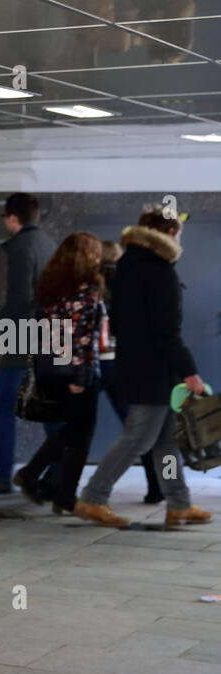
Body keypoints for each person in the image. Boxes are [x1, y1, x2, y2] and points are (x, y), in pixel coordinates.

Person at [75, 206, 211, 528]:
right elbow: (166, 331)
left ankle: (178, 503)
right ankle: (93, 497)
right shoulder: (159, 271)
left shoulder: (128, 267)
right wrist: (189, 372)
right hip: (152, 370)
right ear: (168, 234)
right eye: (178, 230)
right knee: (138, 438)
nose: (181, 236)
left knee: (164, 442)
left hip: (137, 364)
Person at [0, 193, 58, 494]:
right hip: (48, 337)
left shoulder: (20, 247)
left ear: (13, 218)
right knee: (50, 409)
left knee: (3, 406)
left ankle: (1, 476)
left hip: (23, 337)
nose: (4, 222)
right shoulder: (49, 244)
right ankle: (58, 474)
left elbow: (19, 299)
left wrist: (4, 328)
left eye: (4, 217)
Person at [12, 233, 105, 514]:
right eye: (96, 253)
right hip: (77, 371)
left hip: (51, 369)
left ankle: (60, 491)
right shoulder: (84, 291)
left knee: (73, 433)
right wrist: (79, 378)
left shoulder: (51, 288)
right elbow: (79, 338)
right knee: (79, 434)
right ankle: (41, 478)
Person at [96, 238, 165, 504]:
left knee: (75, 428)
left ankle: (57, 483)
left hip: (95, 362)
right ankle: (156, 486)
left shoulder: (93, 285)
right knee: (138, 429)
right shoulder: (130, 285)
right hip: (122, 363)